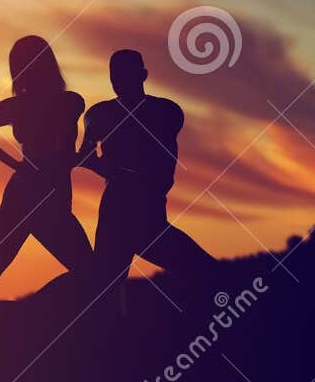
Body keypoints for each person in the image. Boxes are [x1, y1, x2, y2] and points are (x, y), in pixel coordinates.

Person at [80, 48, 217, 291]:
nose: (118, 81)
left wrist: (119, 172)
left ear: (143, 75)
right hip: (116, 213)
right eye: (115, 75)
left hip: (148, 213)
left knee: (208, 273)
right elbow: (85, 156)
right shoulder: (99, 114)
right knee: (104, 290)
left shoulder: (166, 111)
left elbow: (163, 166)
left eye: (125, 74)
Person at [0, 36, 94, 289]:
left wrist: (16, 165)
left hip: (38, 188)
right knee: (88, 271)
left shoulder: (65, 103)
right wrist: (15, 164)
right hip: (36, 190)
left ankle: (36, 312)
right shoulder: (61, 103)